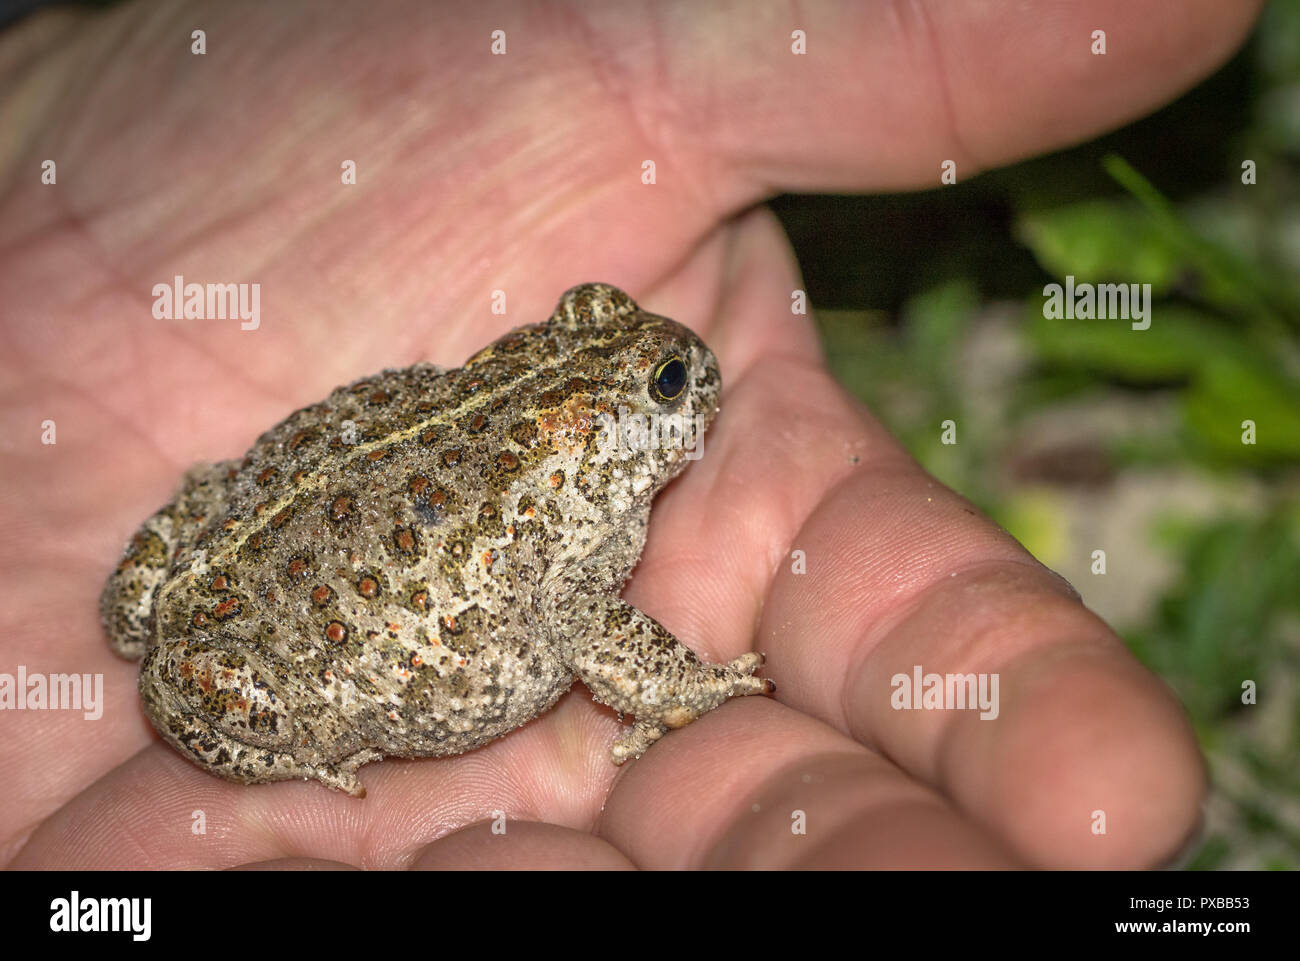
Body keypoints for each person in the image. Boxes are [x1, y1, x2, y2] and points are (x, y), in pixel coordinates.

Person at [0, 0, 1263, 869]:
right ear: (596, 430)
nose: (687, 382)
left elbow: (545, 604)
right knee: (183, 668)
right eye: (664, 384)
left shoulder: (562, 483)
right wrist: (686, 683)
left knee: (186, 569)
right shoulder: (571, 510)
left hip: (236, 536)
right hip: (258, 648)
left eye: (648, 358)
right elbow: (580, 626)